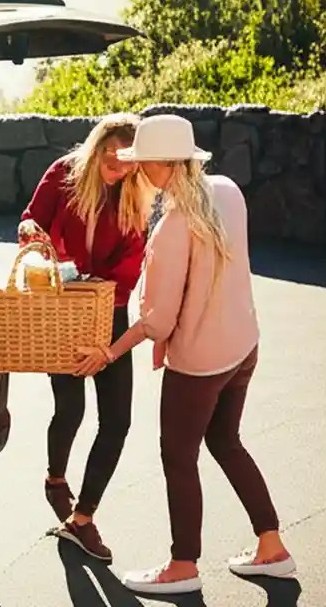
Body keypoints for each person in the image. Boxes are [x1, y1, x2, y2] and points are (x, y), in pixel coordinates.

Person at [71, 114, 296, 594]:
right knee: (226, 441)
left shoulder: (173, 225)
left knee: (178, 455)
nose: (135, 170)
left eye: (140, 162)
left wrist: (109, 352)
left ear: (159, 163)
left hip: (199, 363)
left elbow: (159, 321)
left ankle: (182, 567)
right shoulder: (228, 191)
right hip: (243, 346)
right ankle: (271, 547)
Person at [17, 113, 151, 562]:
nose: (117, 168)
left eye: (126, 162)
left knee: (118, 420)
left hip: (108, 310)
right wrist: (30, 234)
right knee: (69, 407)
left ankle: (84, 517)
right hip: (60, 308)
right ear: (96, 148)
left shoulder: (135, 194)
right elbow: (31, 220)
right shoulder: (63, 174)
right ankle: (56, 478)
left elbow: (131, 261)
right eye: (111, 158)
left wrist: (97, 287)